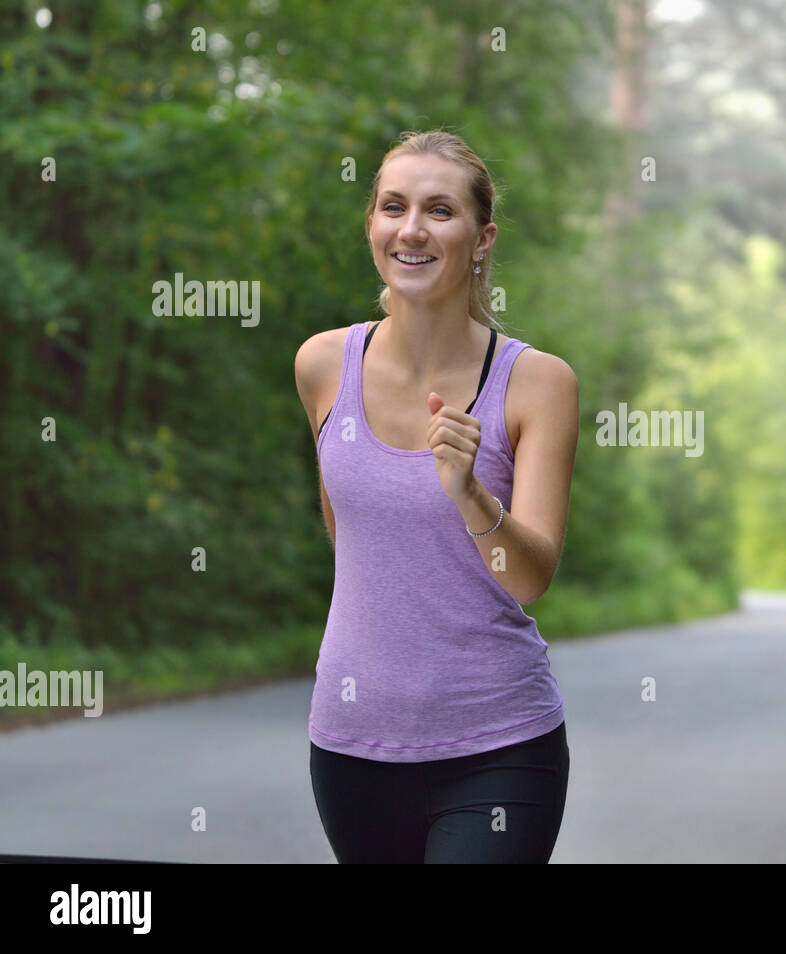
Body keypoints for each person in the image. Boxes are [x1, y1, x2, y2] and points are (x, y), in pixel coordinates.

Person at [293, 129, 579, 863]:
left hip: (499, 748)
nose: (412, 228)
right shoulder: (323, 365)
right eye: (394, 207)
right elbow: (352, 542)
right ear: (372, 226)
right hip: (351, 746)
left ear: (481, 239)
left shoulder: (536, 383)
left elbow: (531, 580)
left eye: (439, 211)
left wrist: (472, 496)